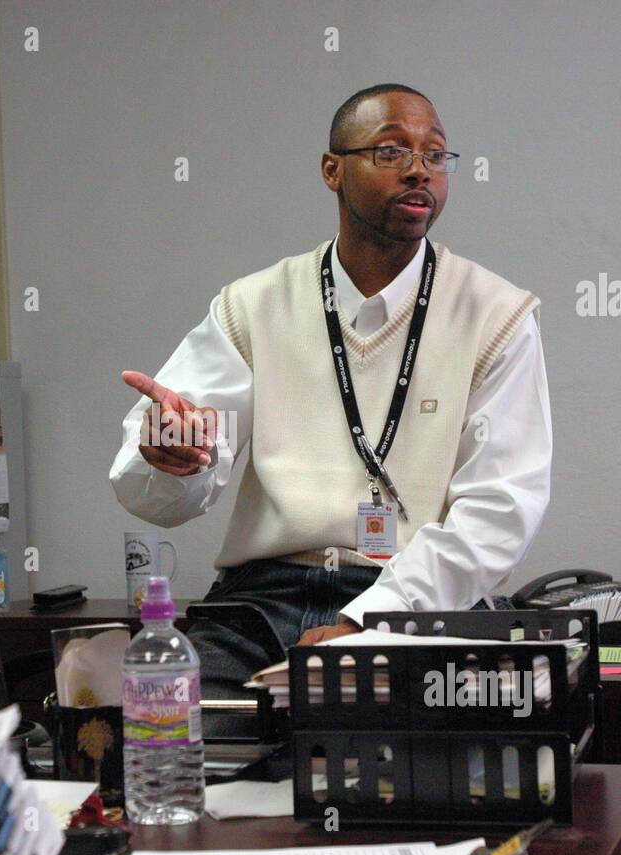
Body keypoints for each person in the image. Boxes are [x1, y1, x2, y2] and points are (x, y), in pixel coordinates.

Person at [109, 83, 552, 720]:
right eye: (393, 150)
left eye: (436, 154)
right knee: (166, 731)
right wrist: (169, 456)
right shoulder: (253, 305)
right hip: (262, 602)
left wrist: (367, 619)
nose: (420, 170)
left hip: (415, 604)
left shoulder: (496, 315)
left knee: (417, 767)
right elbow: (164, 489)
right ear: (332, 170)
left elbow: (499, 510)